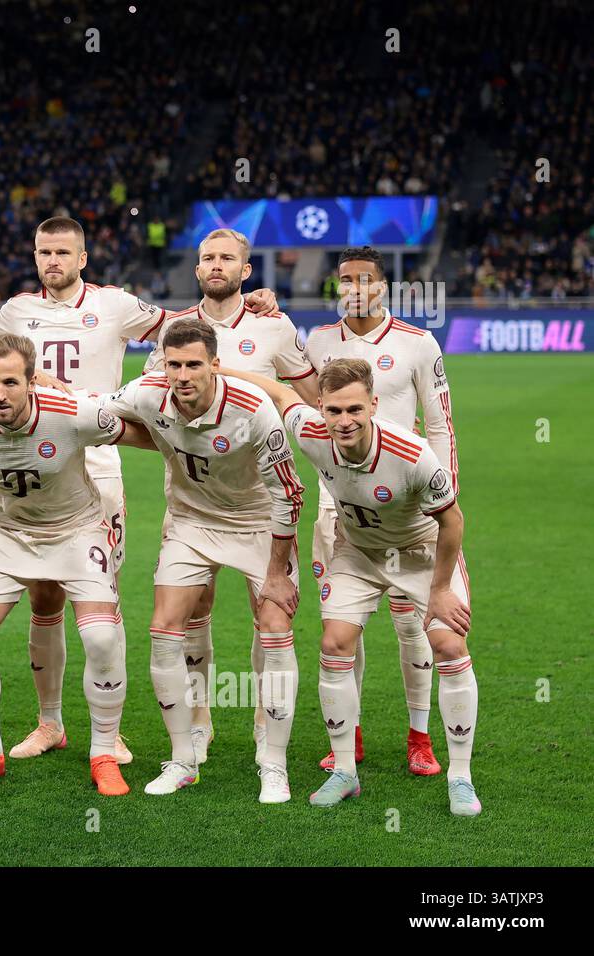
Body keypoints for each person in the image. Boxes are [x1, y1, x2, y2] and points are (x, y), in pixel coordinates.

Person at [0, 216, 280, 764]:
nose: (53, 261)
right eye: (43, 252)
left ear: (83, 258)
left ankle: (108, 732)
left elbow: (192, 324)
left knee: (103, 598)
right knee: (44, 599)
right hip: (33, 461)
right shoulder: (14, 312)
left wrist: (251, 299)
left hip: (98, 462)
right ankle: (49, 723)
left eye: (63, 252)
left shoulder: (118, 305)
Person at [0, 333, 156, 796]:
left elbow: (143, 434)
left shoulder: (71, 413)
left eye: (11, 383)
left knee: (101, 636)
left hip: (78, 533)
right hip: (6, 537)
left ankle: (103, 752)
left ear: (32, 382)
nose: (0, 394)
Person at [226, 358, 480, 817]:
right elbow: (282, 393)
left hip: (419, 553)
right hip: (357, 553)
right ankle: (345, 771)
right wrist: (223, 371)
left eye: (355, 410)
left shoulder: (413, 453)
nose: (344, 421)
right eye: (334, 411)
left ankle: (460, 777)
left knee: (448, 644)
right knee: (335, 642)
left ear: (374, 406)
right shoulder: (310, 432)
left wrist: (441, 589)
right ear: (320, 407)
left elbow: (453, 521)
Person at [99, 319, 304, 802]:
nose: (183, 374)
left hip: (257, 523)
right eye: (174, 364)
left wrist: (277, 573)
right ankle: (183, 757)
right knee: (164, 630)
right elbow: (95, 411)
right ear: (162, 365)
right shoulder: (147, 393)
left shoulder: (253, 409)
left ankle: (273, 762)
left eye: (194, 364)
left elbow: (290, 494)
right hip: (192, 524)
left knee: (275, 629)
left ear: (215, 365)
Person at [142, 228, 317, 766]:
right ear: (197, 270)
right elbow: (155, 401)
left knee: (268, 611)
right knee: (193, 608)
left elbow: (309, 398)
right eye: (207, 258)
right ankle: (198, 722)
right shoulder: (173, 332)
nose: (216, 265)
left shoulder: (274, 326)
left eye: (227, 259)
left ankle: (268, 727)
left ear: (246, 271)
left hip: (258, 500)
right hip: (192, 499)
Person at [304, 246, 458, 775]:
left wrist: (449, 500)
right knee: (343, 625)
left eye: (365, 280)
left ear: (382, 287)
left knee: (414, 625)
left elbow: (440, 426)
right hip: (339, 508)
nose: (354, 288)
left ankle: (420, 736)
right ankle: (352, 737)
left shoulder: (418, 343)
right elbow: (297, 404)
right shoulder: (318, 342)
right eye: (344, 280)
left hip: (410, 506)